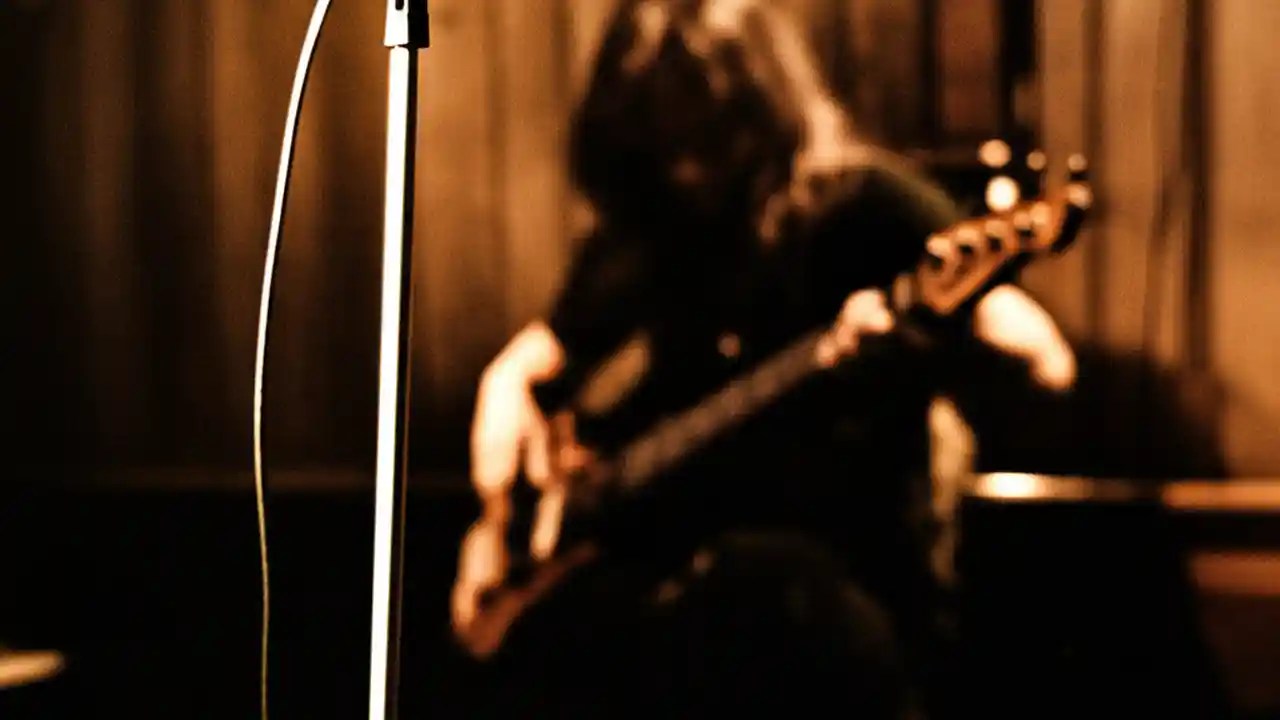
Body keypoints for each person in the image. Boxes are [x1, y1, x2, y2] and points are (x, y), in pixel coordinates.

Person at [450, 0, 1076, 716]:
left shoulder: (863, 202)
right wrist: (500, 513)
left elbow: (1043, 361)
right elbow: (527, 365)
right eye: (661, 137)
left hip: (842, 598)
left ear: (756, 107)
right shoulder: (656, 228)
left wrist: (925, 349)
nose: (686, 166)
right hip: (680, 594)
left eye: (703, 135)